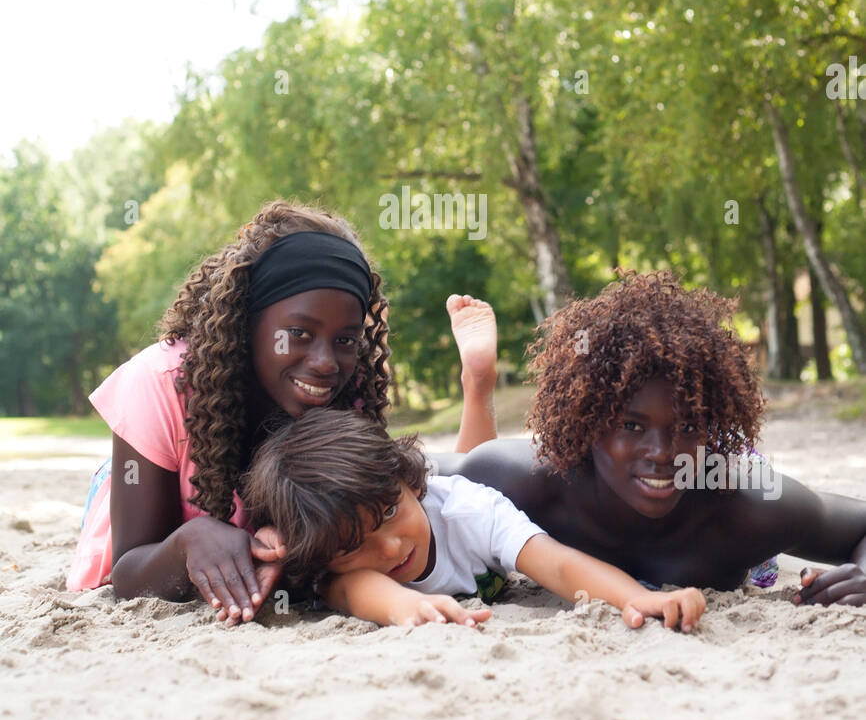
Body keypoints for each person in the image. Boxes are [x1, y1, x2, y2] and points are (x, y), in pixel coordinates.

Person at [67, 199, 499, 624]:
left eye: (345, 340)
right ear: (246, 319)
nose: (325, 361)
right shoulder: (159, 382)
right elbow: (126, 577)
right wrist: (189, 542)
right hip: (144, 482)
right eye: (299, 333)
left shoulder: (346, 389)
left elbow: (449, 499)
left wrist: (478, 388)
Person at [434, 271, 866, 607]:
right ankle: (478, 385)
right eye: (631, 426)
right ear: (587, 424)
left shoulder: (747, 505)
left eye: (686, 426)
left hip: (723, 478)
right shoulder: (531, 480)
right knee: (470, 496)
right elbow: (409, 478)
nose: (662, 453)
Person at [241, 407, 707, 632]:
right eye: (352, 545)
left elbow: (557, 564)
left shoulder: (468, 510)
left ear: (411, 485)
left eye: (389, 512)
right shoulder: (332, 551)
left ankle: (475, 385)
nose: (387, 548)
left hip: (474, 469)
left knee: (477, 459)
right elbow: (349, 588)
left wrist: (637, 598)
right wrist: (405, 609)